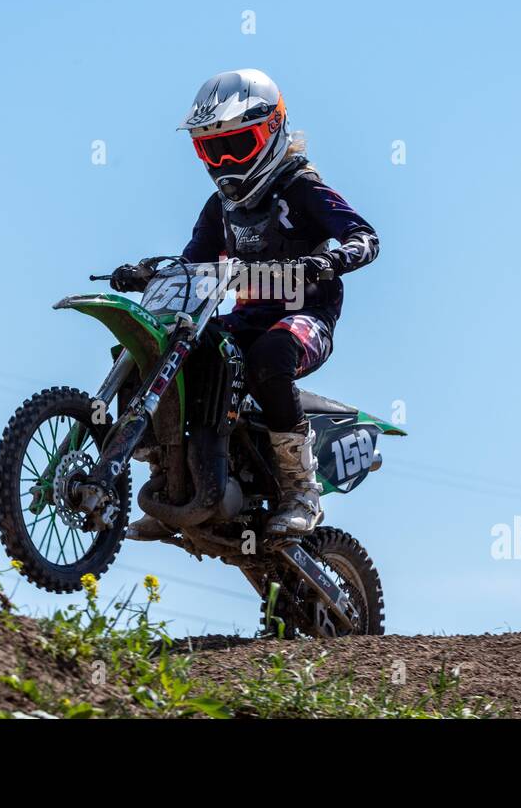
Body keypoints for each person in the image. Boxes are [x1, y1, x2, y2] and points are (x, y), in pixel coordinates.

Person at [112, 68, 379, 537]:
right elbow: (192, 264)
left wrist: (329, 261)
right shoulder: (220, 207)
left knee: (269, 357)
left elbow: (365, 236)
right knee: (176, 348)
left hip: (306, 316)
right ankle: (172, 478)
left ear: (274, 130)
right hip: (247, 317)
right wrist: (149, 272)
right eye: (213, 149)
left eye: (239, 144)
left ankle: (302, 491)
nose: (226, 160)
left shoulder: (302, 188)